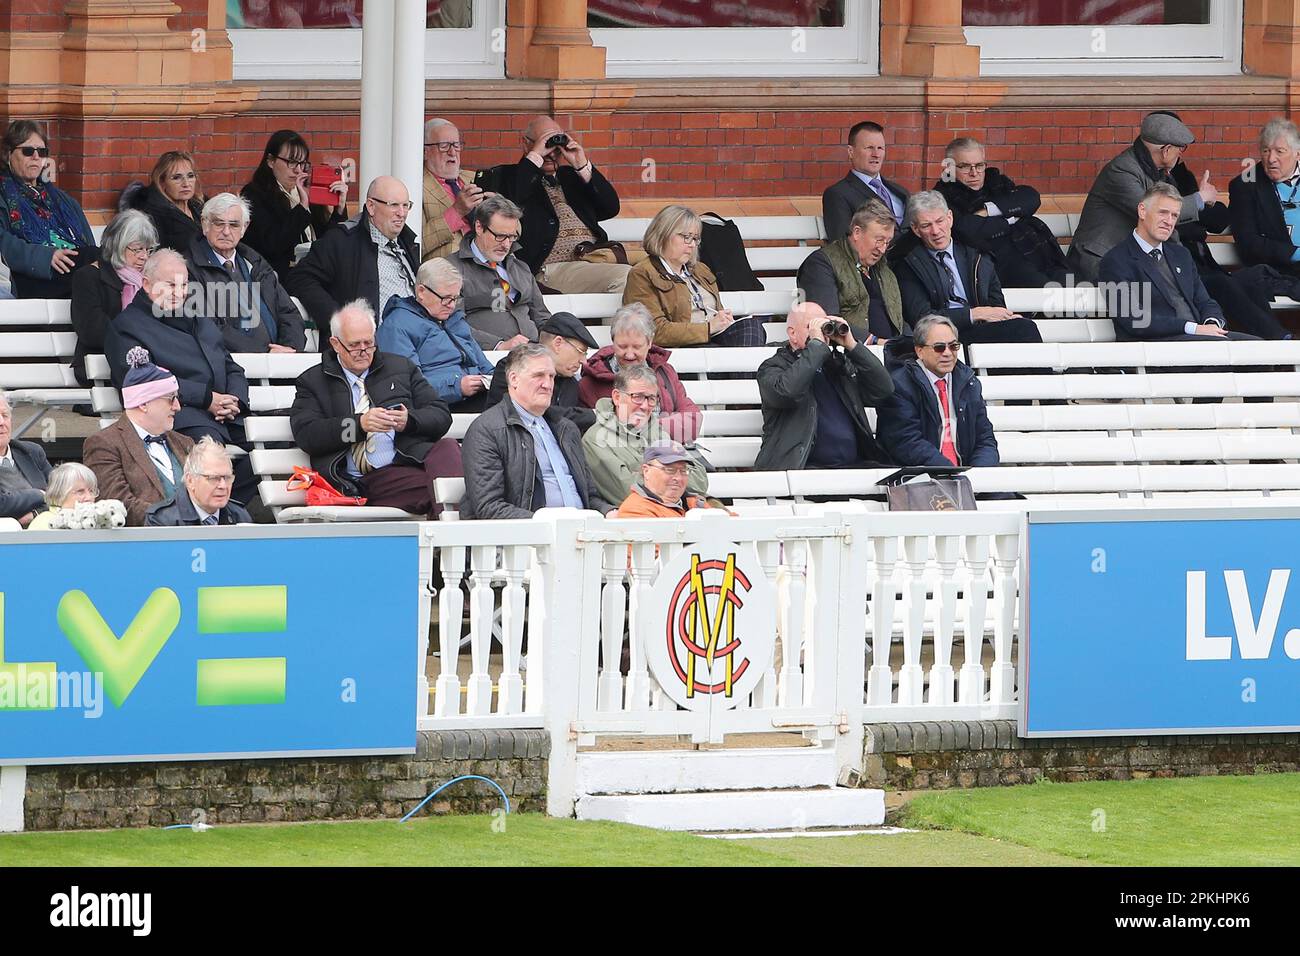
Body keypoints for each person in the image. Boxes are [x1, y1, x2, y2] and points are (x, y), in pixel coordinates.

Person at [105, 248, 255, 503]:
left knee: (278, 446)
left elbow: (231, 365)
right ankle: (209, 512)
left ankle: (223, 508)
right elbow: (143, 381)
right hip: (179, 415)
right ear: (147, 284)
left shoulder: (198, 318)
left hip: (227, 415)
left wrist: (234, 400)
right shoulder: (127, 326)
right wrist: (208, 399)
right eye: (170, 284)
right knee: (211, 451)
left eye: (184, 284)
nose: (179, 292)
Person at [290, 300, 462, 517]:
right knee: (441, 488)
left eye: (368, 343)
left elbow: (441, 415)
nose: (363, 351)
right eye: (354, 345)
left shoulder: (401, 367)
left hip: (407, 463)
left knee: (447, 448)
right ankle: (456, 541)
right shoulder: (313, 381)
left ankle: (452, 535)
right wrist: (359, 425)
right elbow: (307, 435)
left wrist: (409, 421)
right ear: (335, 344)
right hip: (358, 480)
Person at [461, 343, 614, 520]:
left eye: (551, 376)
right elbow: (489, 507)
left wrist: (609, 511)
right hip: (527, 540)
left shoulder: (566, 428)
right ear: (514, 379)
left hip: (582, 533)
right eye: (539, 376)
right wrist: (543, 523)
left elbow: (589, 496)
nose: (548, 384)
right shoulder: (487, 430)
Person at [1068, 111, 1218, 283]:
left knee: (1208, 287)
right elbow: (1152, 213)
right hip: (1100, 260)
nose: (1181, 154)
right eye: (1180, 148)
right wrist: (1200, 198)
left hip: (1132, 262)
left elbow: (1168, 230)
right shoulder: (1122, 170)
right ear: (1166, 150)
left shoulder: (1157, 173)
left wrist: (1183, 267)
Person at [485, 114, 627, 295]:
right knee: (626, 276)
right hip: (549, 269)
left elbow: (610, 207)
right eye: (545, 145)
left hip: (593, 260)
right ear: (526, 143)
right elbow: (510, 202)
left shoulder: (570, 177)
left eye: (556, 147)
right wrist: (534, 157)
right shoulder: (509, 176)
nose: (551, 153)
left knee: (644, 274)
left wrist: (581, 164)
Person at [1099, 182, 1257, 342]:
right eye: (1163, 213)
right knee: (1222, 349)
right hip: (1157, 345)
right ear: (1142, 211)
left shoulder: (1180, 254)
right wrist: (1193, 328)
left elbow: (1205, 302)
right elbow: (1135, 320)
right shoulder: (1116, 261)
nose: (1169, 221)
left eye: (1174, 215)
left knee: (1259, 348)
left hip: (1199, 338)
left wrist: (1211, 323)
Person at [754, 302, 894, 471]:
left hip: (853, 467)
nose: (820, 332)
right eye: (811, 326)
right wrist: (817, 347)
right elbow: (787, 392)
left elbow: (884, 389)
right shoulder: (772, 368)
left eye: (823, 325)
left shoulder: (838, 366)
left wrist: (852, 345)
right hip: (802, 470)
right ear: (792, 333)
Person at [894, 191, 1043, 345]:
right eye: (926, 226)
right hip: (940, 338)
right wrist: (973, 314)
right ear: (915, 229)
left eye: (940, 221)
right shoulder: (908, 264)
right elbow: (922, 318)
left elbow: (995, 303)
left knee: (1021, 328)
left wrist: (1005, 317)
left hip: (982, 331)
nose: (936, 231)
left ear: (950, 218)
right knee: (1023, 329)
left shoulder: (976, 254)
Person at [285, 175, 419, 331]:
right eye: (394, 205)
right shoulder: (342, 241)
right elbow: (300, 279)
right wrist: (339, 320)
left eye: (406, 205)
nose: (402, 213)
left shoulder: (407, 243)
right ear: (371, 206)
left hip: (419, 338)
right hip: (371, 346)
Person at [932, 136, 1068, 289]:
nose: (974, 173)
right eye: (964, 166)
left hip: (1040, 250)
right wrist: (1011, 218)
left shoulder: (996, 180)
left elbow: (1031, 198)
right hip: (1002, 263)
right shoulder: (942, 195)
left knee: (1076, 286)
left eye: (979, 165)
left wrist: (987, 211)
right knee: (1050, 292)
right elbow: (966, 228)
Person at [623, 204, 764, 348]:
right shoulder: (642, 273)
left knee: (751, 328)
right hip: (683, 344)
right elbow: (653, 330)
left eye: (695, 239)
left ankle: (739, 369)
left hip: (716, 336)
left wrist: (722, 319)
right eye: (686, 237)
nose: (692, 245)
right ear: (663, 235)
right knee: (717, 353)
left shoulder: (701, 269)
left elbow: (716, 311)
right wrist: (708, 328)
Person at [82, 347, 194, 526]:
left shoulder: (185, 442)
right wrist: (173, 519)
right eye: (171, 398)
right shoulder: (104, 444)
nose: (177, 406)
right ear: (143, 404)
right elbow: (116, 505)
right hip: (144, 543)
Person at [183, 193, 306, 353]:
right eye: (219, 223)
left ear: (244, 228)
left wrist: (289, 347)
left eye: (234, 225)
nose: (226, 232)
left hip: (280, 362)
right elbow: (207, 326)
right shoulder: (188, 268)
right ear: (205, 225)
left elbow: (288, 312)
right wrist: (264, 353)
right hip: (233, 366)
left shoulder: (255, 263)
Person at [876, 314, 998, 468]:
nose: (947, 353)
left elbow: (985, 439)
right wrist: (953, 474)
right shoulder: (898, 385)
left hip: (968, 477)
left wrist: (979, 475)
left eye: (953, 346)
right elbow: (905, 442)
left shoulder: (969, 383)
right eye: (939, 347)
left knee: (1008, 492)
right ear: (919, 351)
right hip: (919, 478)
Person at [376, 256, 494, 412]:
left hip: (477, 397)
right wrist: (456, 386)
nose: (451, 306)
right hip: (438, 406)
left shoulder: (454, 321)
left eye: (455, 298)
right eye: (445, 298)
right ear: (421, 291)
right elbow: (407, 385)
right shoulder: (396, 326)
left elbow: (486, 368)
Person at [583, 364, 708, 506]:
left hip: (675, 513)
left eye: (651, 399)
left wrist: (649, 474)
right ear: (617, 397)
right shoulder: (595, 439)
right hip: (635, 522)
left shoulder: (658, 430)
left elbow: (700, 481)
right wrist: (676, 473)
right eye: (637, 397)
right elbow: (628, 492)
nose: (645, 406)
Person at [577, 302, 702, 442]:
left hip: (669, 456)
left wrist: (646, 429)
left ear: (650, 342)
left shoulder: (665, 372)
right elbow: (604, 437)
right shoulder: (590, 383)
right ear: (612, 341)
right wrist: (664, 428)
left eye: (637, 347)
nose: (629, 355)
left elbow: (692, 420)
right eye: (622, 346)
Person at [0, 120, 95, 298]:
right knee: (101, 259)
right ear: (8, 154)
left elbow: (87, 242)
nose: (36, 157)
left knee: (106, 260)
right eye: (28, 151)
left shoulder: (63, 201)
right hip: (33, 276)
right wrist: (45, 257)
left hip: (75, 269)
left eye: (42, 152)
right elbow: (3, 243)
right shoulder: (3, 196)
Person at [241, 129, 348, 282]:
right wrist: (303, 207)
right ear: (271, 161)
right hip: (278, 277)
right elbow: (273, 244)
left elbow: (330, 242)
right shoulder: (254, 194)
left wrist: (339, 208)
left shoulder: (306, 190)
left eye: (302, 163)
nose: (298, 170)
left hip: (315, 272)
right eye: (291, 162)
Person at [797, 198, 908, 345]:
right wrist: (874, 341)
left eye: (887, 242)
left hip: (891, 354)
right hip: (850, 356)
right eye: (879, 240)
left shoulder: (883, 270)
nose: (882, 249)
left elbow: (899, 319)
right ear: (857, 232)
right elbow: (826, 320)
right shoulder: (821, 264)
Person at [69, 209, 158, 385]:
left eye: (149, 249)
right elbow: (92, 332)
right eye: (137, 249)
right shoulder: (88, 276)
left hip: (148, 360)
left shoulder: (149, 280)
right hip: (102, 362)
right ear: (117, 245)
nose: (144, 257)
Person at [454, 194, 551, 350]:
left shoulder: (520, 268)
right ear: (479, 227)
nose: (506, 245)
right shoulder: (452, 269)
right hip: (489, 358)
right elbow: (452, 324)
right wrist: (498, 345)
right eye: (500, 236)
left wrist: (555, 341)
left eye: (511, 237)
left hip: (534, 354)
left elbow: (541, 316)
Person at [485, 310, 597, 431]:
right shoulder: (511, 367)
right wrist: (592, 415)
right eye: (580, 351)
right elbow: (530, 412)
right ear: (558, 343)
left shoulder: (570, 382)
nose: (584, 361)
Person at [1230, 117, 1300, 275]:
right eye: (1266, 150)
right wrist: (1295, 254)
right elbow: (1248, 243)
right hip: (1277, 270)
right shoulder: (1245, 186)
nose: (1271, 159)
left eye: (1279, 151)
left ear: (1297, 154)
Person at [822, 121, 909, 240]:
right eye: (869, 148)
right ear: (850, 152)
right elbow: (842, 244)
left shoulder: (901, 192)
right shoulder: (838, 194)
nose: (876, 154)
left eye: (880, 148)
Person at [145, 436, 252, 526]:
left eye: (227, 478)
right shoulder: (162, 520)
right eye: (214, 478)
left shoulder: (239, 515)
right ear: (190, 480)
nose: (223, 486)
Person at [421, 118, 483, 263]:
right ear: (425, 151)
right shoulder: (415, 186)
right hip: (449, 271)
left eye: (456, 145)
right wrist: (456, 212)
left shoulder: (476, 178)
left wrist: (498, 210)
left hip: (489, 265)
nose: (452, 152)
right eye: (443, 146)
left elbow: (515, 228)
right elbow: (414, 245)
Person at [617, 441, 722, 518]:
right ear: (646, 471)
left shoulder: (694, 502)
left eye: (683, 470)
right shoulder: (635, 510)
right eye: (669, 470)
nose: (678, 478)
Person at [129, 151, 205, 253]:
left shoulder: (202, 207)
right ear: (162, 182)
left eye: (190, 176)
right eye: (176, 177)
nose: (186, 183)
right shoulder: (153, 216)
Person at [0, 389, 51, 525]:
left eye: (5, 415)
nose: (1, 422)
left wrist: (35, 514)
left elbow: (63, 495)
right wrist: (39, 495)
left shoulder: (31, 452)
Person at [26, 463, 99, 530]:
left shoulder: (101, 520)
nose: (89, 497)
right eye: (80, 492)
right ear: (59, 495)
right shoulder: (45, 523)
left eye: (91, 491)